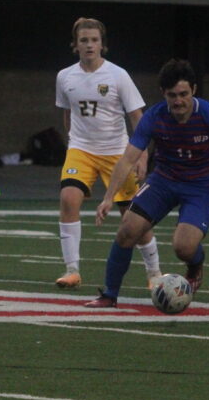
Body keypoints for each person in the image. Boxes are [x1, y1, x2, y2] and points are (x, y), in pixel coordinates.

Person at [83, 59, 209, 308]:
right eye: (172, 95)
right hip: (164, 181)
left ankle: (195, 265)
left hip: (202, 187)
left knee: (183, 247)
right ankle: (109, 294)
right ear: (163, 94)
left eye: (183, 94)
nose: (178, 101)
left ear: (193, 90)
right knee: (127, 229)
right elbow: (128, 158)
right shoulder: (154, 117)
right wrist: (108, 197)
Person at [54, 17, 161, 289]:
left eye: (94, 40)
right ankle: (72, 271)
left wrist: (142, 155)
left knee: (134, 217)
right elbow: (68, 114)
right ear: (75, 45)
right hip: (81, 150)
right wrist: (72, 144)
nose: (89, 45)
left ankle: (154, 273)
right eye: (84, 41)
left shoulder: (118, 75)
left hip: (118, 153)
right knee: (68, 199)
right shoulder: (65, 77)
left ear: (103, 45)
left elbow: (138, 117)